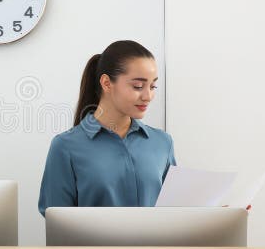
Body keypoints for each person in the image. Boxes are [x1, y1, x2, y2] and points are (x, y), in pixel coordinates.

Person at [38, 40, 175, 215]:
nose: (148, 96)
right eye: (138, 86)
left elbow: (174, 211)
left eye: (153, 86)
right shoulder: (66, 146)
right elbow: (56, 218)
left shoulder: (162, 143)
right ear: (107, 83)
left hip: (154, 243)